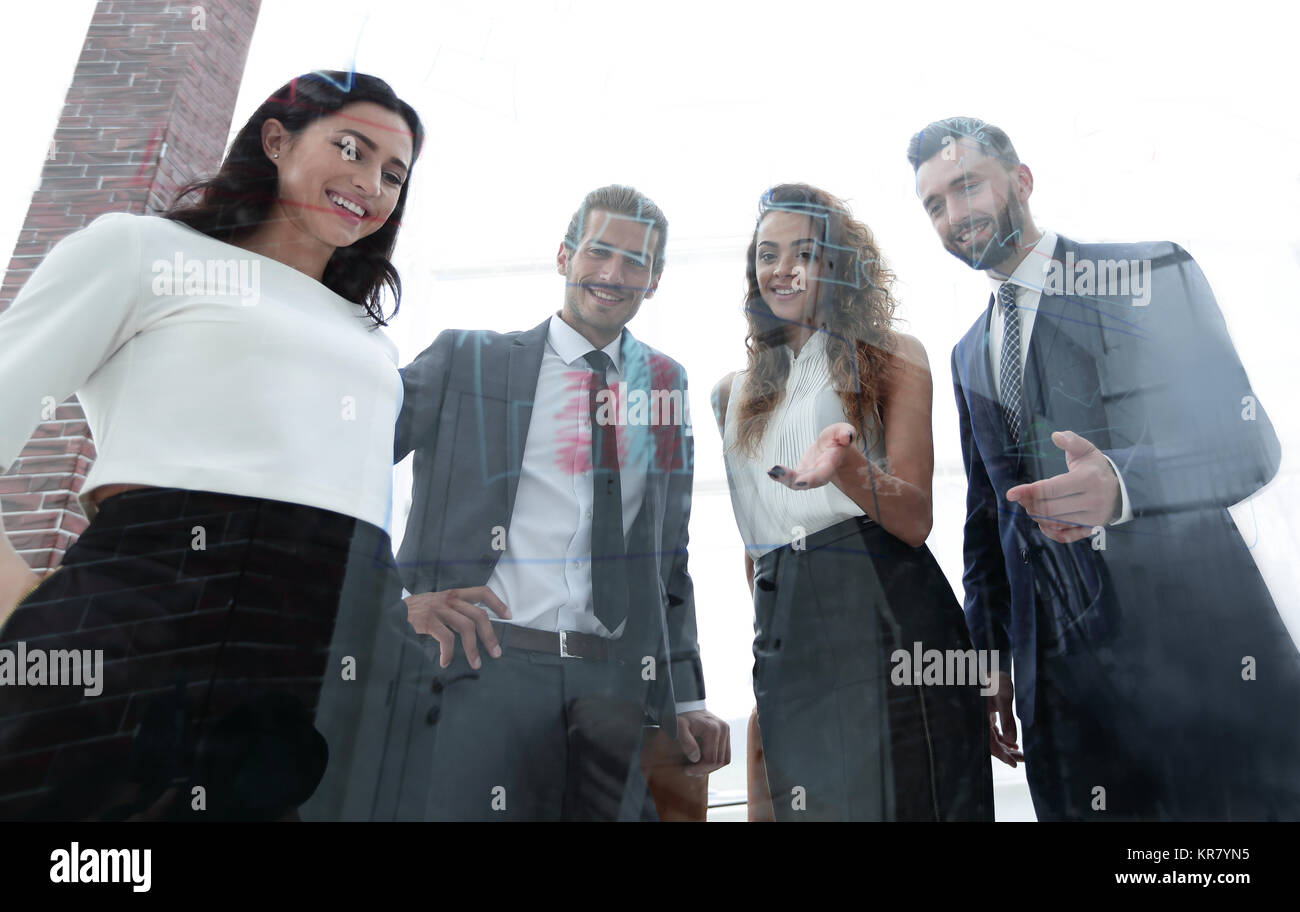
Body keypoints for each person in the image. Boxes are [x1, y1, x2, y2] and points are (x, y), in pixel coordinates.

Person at [0, 71, 423, 821]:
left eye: (394, 174)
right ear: (276, 138)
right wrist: (30, 612)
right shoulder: (140, 250)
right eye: (351, 150)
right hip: (143, 603)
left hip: (316, 652)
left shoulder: (371, 341)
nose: (371, 183)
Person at [908, 116, 1300, 820]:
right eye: (934, 204)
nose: (954, 214)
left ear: (1021, 181)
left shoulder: (1148, 275)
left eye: (967, 186)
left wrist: (1121, 484)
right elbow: (987, 522)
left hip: (1199, 663)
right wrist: (991, 658)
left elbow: (1248, 446)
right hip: (1061, 702)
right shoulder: (968, 353)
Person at [367, 185, 729, 821]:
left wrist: (688, 697)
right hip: (479, 668)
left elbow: (670, 558)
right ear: (564, 256)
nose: (613, 275)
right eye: (598, 252)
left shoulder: (665, 382)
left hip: (610, 687)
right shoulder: (467, 359)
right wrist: (395, 602)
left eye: (635, 261)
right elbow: (341, 466)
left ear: (655, 279)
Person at [712, 184, 993, 821]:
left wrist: (846, 467)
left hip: (890, 609)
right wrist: (774, 653)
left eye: (803, 252)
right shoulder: (729, 392)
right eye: (766, 253)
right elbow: (754, 550)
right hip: (787, 620)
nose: (780, 268)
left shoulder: (893, 355)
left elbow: (915, 519)